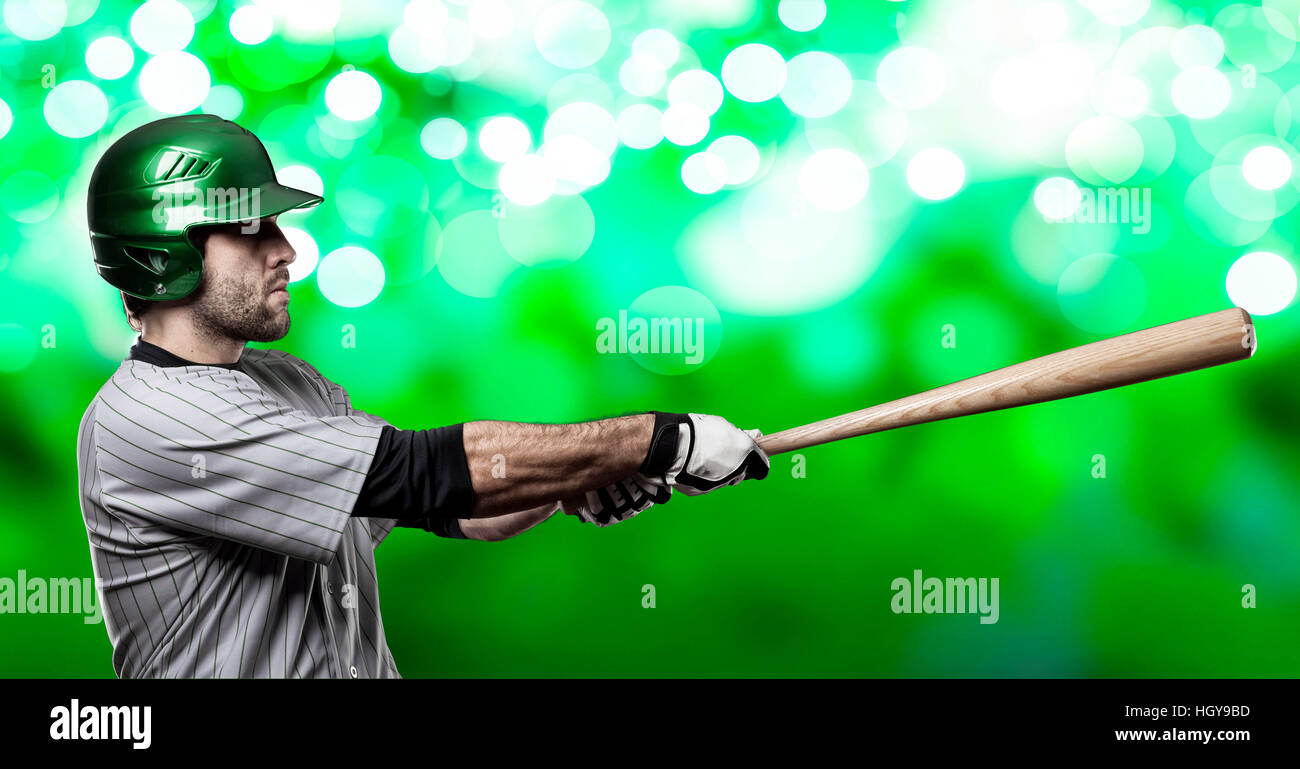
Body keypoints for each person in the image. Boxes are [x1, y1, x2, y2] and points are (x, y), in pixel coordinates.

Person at [75, 115, 769, 678]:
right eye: (253, 229)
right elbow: (421, 470)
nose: (286, 250)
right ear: (163, 249)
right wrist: (664, 438)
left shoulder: (287, 382)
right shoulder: (146, 419)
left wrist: (574, 480)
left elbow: (446, 509)